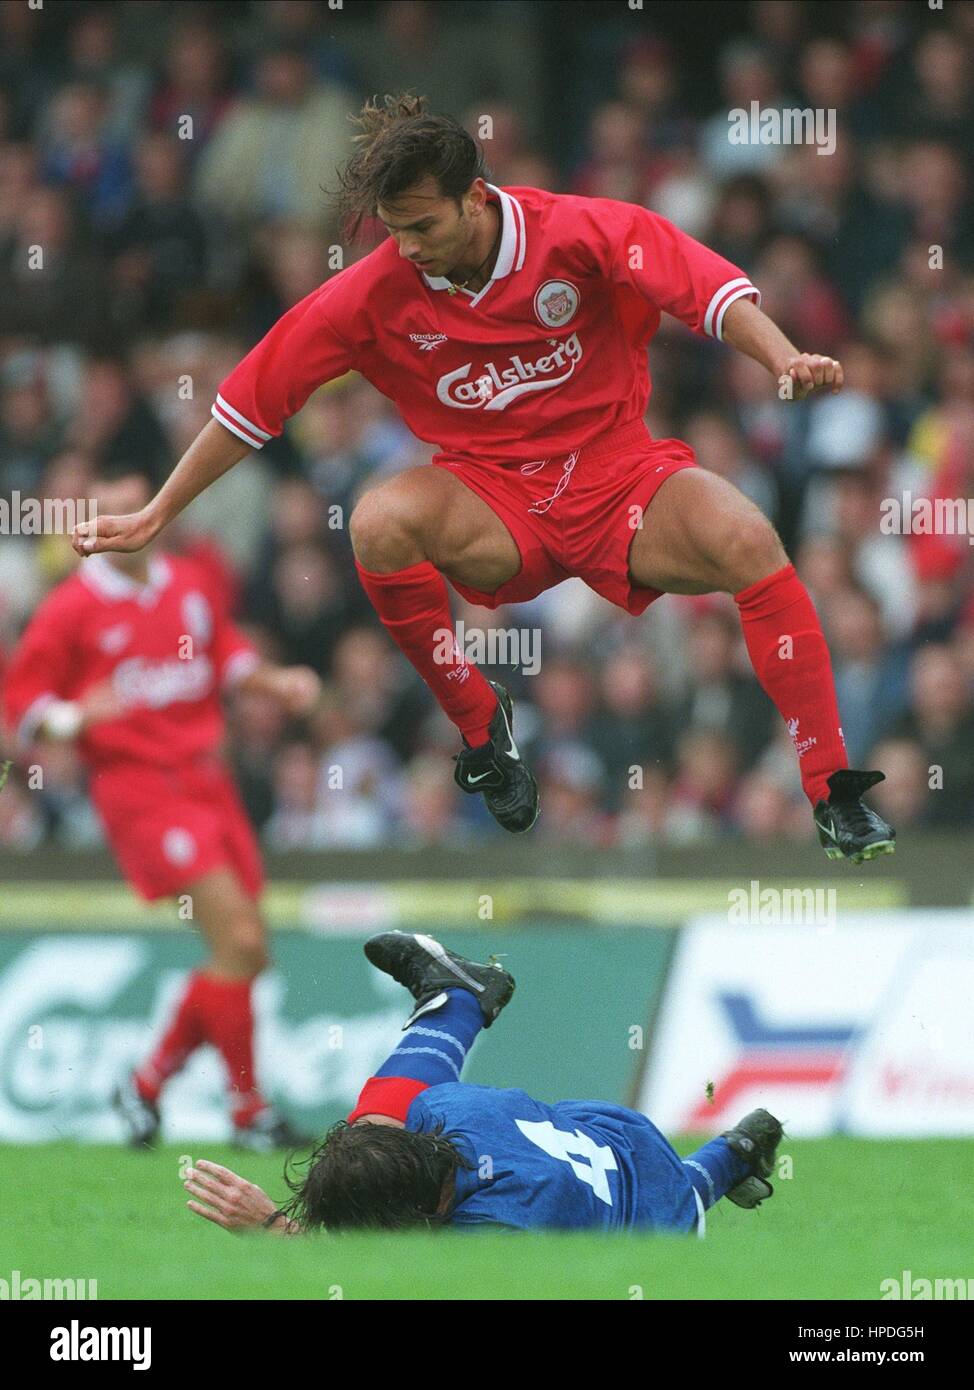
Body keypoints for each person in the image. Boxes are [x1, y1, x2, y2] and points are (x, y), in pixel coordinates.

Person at [71, 92, 894, 865]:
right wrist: (155, 514)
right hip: (493, 501)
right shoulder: (370, 295)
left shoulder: (580, 232)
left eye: (422, 225)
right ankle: (478, 724)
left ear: (475, 196)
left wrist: (782, 355)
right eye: (394, 230)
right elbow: (249, 403)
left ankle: (830, 790)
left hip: (620, 480)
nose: (408, 247)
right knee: (376, 522)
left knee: (750, 539)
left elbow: (702, 287)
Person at [3, 459, 320, 1151]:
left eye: (130, 511)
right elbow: (21, 708)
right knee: (237, 942)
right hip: (141, 790)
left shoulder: (190, 582)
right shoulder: (70, 609)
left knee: (248, 950)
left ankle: (144, 1085)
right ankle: (247, 1112)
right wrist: (70, 718)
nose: (119, 529)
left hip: (210, 781)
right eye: (104, 516)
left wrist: (274, 681)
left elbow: (224, 654)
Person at [182, 931, 785, 1235]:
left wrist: (271, 1229)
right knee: (376, 1129)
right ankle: (455, 1001)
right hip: (616, 1131)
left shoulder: (504, 1229)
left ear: (423, 1214)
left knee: (674, 1198)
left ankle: (728, 1159)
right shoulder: (445, 1109)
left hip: (659, 1214)